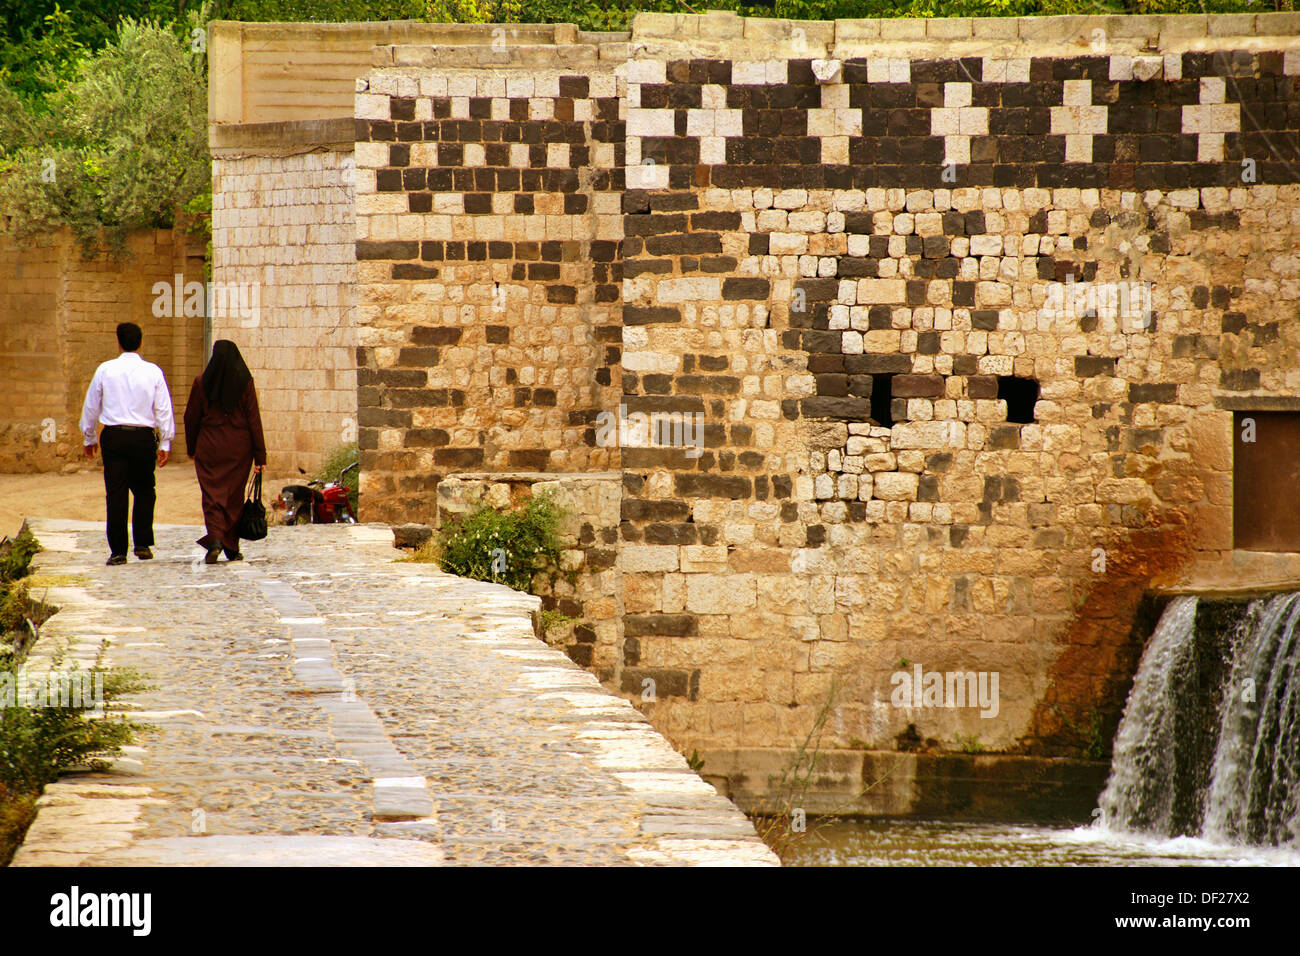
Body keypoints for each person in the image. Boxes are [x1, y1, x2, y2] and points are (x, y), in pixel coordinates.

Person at [80, 322, 175, 566]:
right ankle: (142, 543)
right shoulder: (153, 371)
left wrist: (88, 436)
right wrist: (165, 441)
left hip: (114, 436)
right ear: (141, 342)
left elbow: (92, 405)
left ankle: (118, 550)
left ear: (118, 343)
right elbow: (163, 408)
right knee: (145, 489)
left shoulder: (105, 370)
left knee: (116, 492)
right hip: (143, 437)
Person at [184, 340, 267, 564]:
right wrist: (260, 456)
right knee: (232, 497)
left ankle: (216, 541)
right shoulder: (244, 382)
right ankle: (230, 545)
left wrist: (191, 448)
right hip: (239, 448)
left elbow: (191, 418)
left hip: (209, 446)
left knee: (212, 495)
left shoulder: (202, 382)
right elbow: (253, 419)